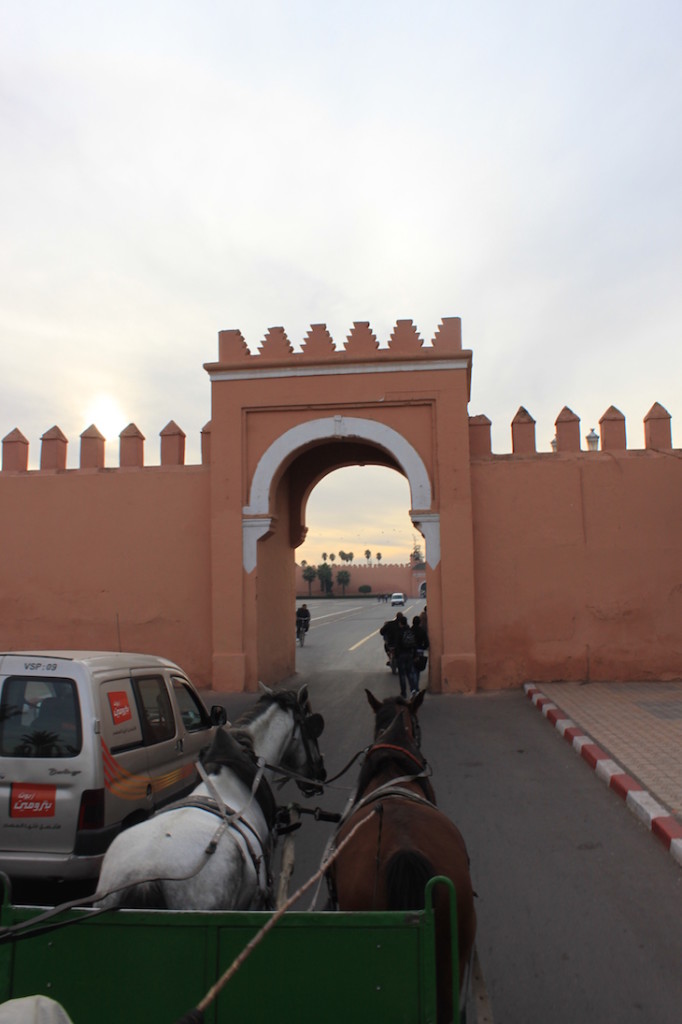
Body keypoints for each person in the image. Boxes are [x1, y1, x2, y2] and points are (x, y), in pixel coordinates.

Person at [395, 614, 418, 698]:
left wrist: (396, 656)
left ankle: (404, 693)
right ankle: (413, 690)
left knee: (402, 675)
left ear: (400, 623)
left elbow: (397, 645)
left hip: (401, 655)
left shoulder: (399, 632)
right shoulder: (409, 631)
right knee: (410, 674)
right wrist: (415, 655)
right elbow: (414, 644)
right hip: (409, 655)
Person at [411, 614, 429, 692]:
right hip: (419, 651)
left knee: (412, 670)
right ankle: (416, 687)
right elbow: (427, 643)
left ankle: (414, 687)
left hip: (411, 651)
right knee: (417, 670)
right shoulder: (422, 631)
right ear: (419, 623)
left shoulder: (410, 631)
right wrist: (423, 648)